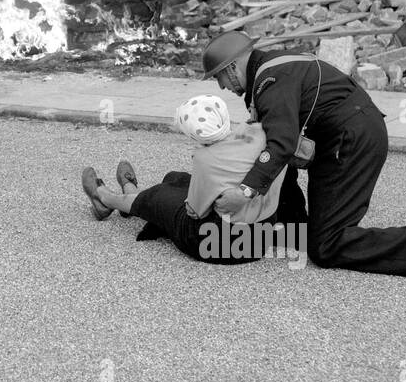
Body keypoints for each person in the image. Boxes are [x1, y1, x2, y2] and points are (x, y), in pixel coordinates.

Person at [201, 30, 406, 285]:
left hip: (352, 141)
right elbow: (274, 148)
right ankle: (294, 226)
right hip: (344, 135)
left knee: (327, 245)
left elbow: (281, 145)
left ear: (232, 66)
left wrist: (245, 192)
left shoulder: (271, 80)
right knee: (305, 223)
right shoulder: (272, 68)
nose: (222, 85)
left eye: (219, 77)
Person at [80, 94, 308, 265]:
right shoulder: (260, 134)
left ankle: (106, 199)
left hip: (224, 244)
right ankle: (130, 197)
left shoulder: (205, 158)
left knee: (161, 197)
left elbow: (195, 211)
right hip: (262, 233)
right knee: (176, 179)